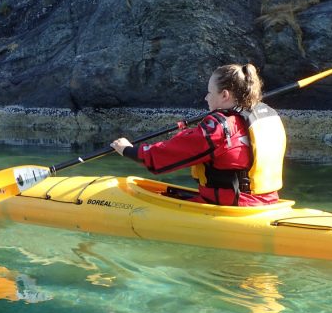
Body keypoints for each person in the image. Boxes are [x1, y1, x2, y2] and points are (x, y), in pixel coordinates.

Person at [109, 63, 286, 206]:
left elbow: (166, 154)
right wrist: (189, 134)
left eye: (210, 92)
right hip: (269, 202)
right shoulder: (267, 114)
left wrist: (128, 150)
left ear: (225, 95)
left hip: (232, 206)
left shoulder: (219, 127)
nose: (206, 98)